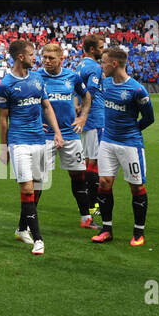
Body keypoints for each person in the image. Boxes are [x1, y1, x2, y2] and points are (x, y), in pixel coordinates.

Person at [0, 39, 63, 256]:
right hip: (19, 142)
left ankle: (21, 228)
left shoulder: (37, 79)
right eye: (33, 54)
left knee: (37, 190)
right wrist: (4, 148)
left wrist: (57, 132)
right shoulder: (5, 85)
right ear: (21, 57)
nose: (37, 58)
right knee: (26, 190)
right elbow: (3, 120)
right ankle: (39, 240)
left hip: (39, 140)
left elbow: (46, 106)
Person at [91, 47, 154, 246]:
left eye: (103, 62)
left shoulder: (137, 90)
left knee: (136, 187)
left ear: (114, 64)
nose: (101, 66)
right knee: (104, 183)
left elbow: (149, 118)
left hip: (130, 145)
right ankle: (107, 229)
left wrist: (132, 131)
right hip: (107, 141)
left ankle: (138, 232)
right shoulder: (105, 83)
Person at [38, 42, 93, 232]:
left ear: (62, 59)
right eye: (44, 57)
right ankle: (30, 221)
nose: (46, 61)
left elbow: (86, 97)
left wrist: (83, 118)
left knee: (78, 174)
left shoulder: (72, 76)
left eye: (51, 58)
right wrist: (34, 121)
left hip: (70, 134)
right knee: (38, 178)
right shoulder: (36, 77)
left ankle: (86, 217)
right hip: (45, 136)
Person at [75, 34, 105, 218]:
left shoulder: (79, 65)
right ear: (92, 49)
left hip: (86, 119)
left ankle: (89, 203)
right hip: (95, 118)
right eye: (101, 47)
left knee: (89, 161)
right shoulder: (94, 67)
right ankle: (93, 205)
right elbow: (90, 94)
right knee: (94, 162)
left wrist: (78, 108)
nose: (103, 50)